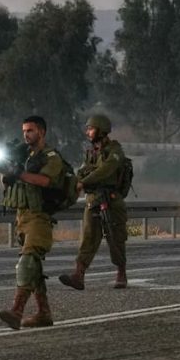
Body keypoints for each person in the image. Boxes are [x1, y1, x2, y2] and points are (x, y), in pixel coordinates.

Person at [0, 116, 65, 329]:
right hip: (22, 216)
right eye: (24, 130)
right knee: (33, 266)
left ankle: (16, 311)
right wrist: (6, 174)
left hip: (39, 216)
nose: (26, 134)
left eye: (31, 130)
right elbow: (8, 183)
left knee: (27, 260)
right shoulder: (23, 156)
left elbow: (45, 181)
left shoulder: (50, 157)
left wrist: (19, 173)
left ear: (42, 132)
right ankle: (44, 313)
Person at [59, 114, 129, 290]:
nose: (88, 132)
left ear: (101, 130)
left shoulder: (115, 150)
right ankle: (79, 274)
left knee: (116, 237)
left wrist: (85, 181)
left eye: (91, 128)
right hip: (93, 198)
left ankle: (121, 272)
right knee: (88, 236)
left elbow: (106, 170)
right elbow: (82, 171)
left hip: (112, 198)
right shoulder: (91, 153)